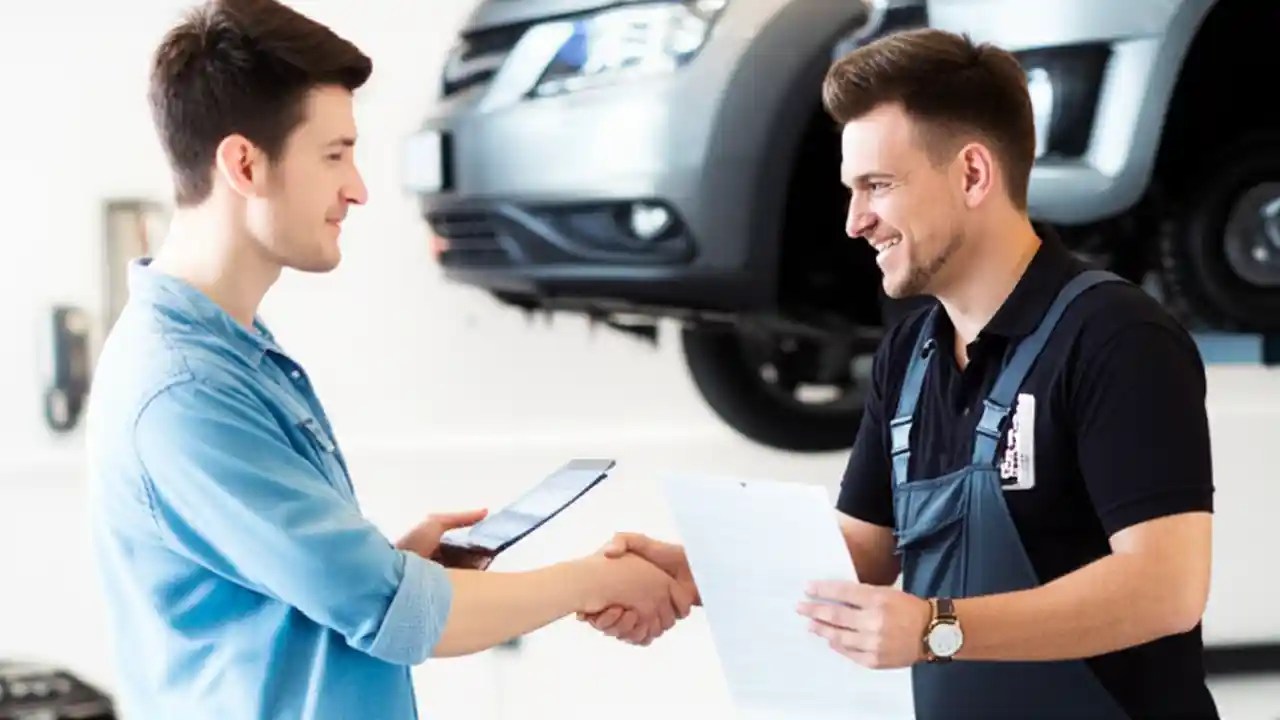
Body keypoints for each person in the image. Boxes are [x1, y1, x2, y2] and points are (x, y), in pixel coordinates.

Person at [582, 28, 1218, 719]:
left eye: (877, 186)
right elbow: (864, 554)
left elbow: (1165, 589)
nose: (856, 221)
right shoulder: (910, 353)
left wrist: (936, 629)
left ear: (973, 174)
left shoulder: (1115, 338)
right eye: (853, 190)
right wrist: (700, 571)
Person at [84, 2, 691, 718]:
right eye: (334, 154)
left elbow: (324, 597)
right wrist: (594, 580)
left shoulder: (232, 355)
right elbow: (394, 614)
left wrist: (395, 564)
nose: (358, 188)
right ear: (245, 164)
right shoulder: (184, 391)